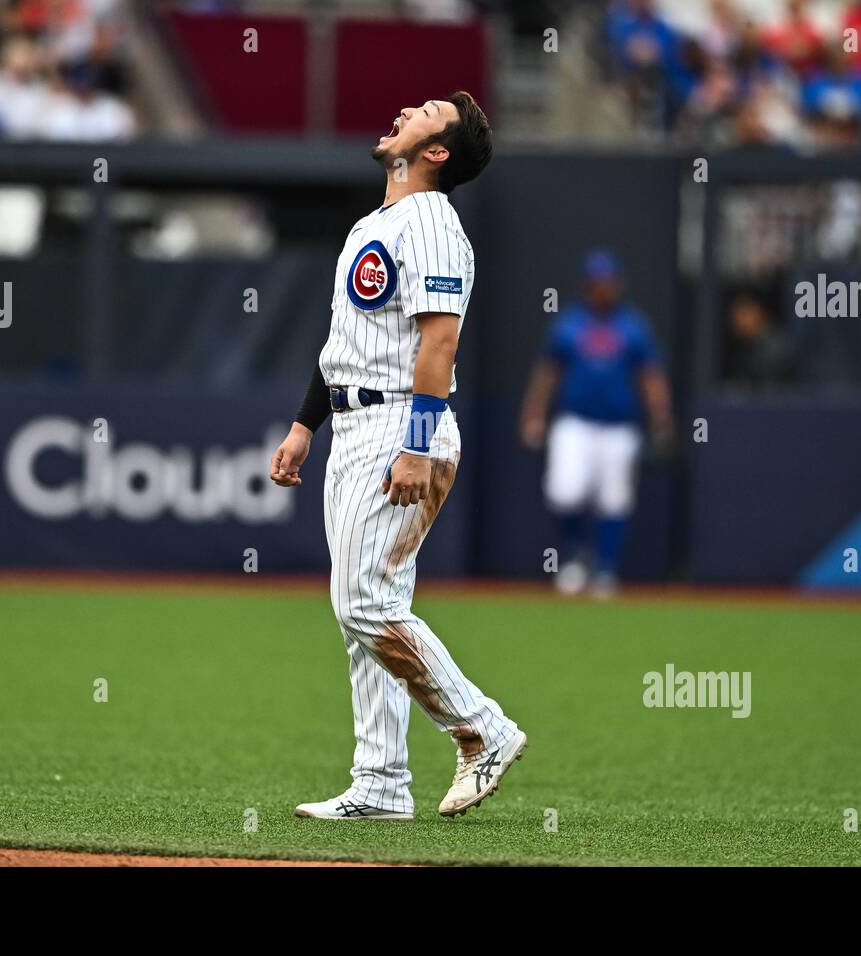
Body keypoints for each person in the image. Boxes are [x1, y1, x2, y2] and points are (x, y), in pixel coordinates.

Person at [268, 94, 526, 821]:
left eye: (427, 111)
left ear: (437, 152)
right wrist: (304, 425)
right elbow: (342, 345)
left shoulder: (433, 222)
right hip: (354, 425)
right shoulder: (374, 223)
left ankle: (485, 730)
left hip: (401, 426)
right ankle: (381, 785)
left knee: (363, 601)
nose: (407, 109)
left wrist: (416, 445)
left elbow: (437, 344)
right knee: (365, 614)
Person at [519, 250, 672, 597]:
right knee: (565, 491)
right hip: (575, 421)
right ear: (587, 285)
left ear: (617, 284)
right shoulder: (568, 324)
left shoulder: (633, 326)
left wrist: (661, 418)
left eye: (608, 282)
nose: (603, 288)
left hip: (619, 425)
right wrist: (534, 413)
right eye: (597, 282)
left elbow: (650, 376)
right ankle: (574, 558)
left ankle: (605, 569)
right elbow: (547, 373)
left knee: (615, 499)